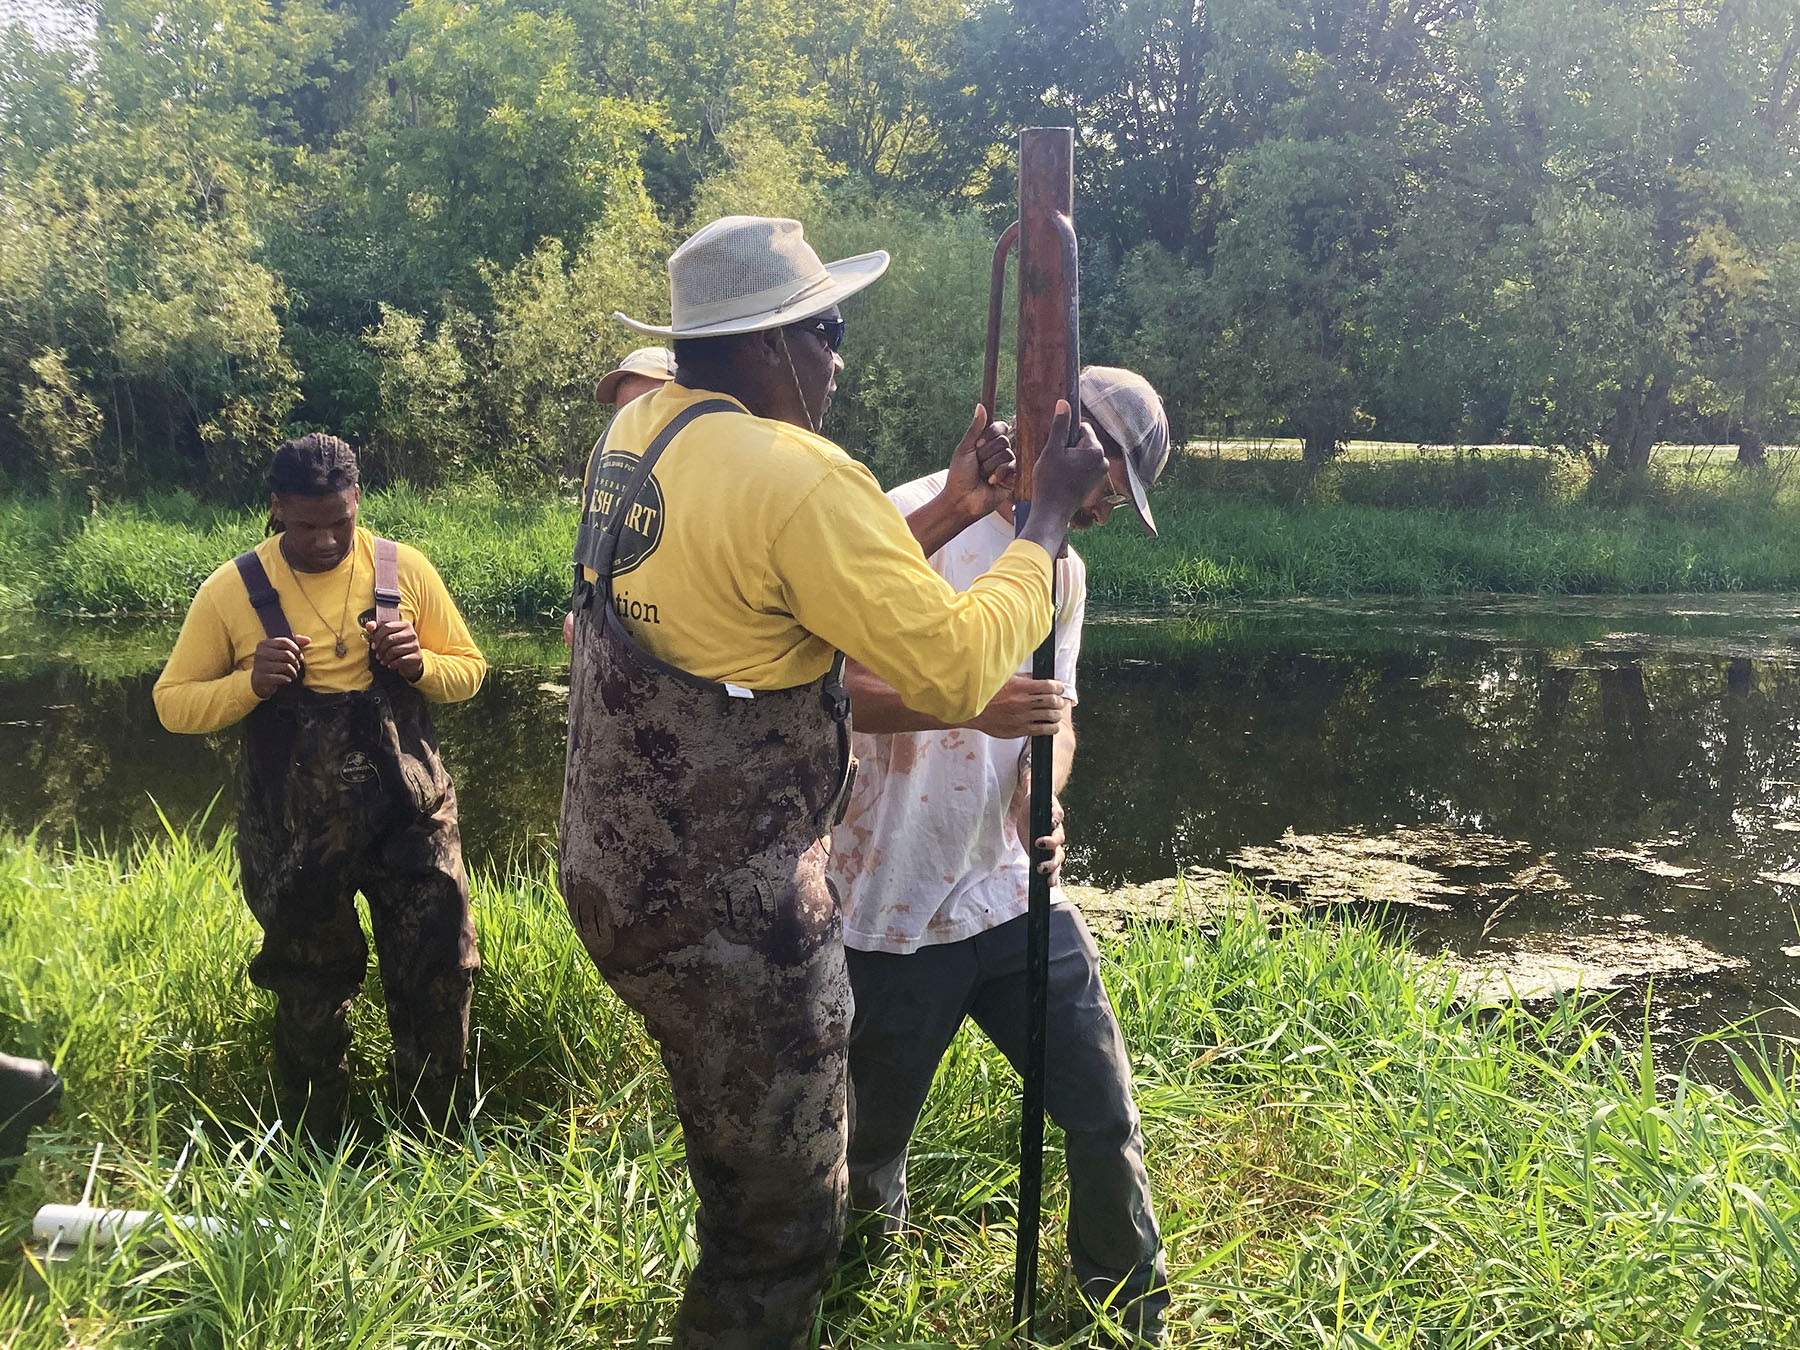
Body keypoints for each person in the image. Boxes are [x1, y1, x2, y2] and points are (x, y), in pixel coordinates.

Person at [559, 214, 1110, 1348]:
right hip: (732, 920)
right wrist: (1040, 521)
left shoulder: (640, 436)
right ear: (768, 343)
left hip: (614, 879)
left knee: (738, 1163)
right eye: (829, 330)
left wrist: (957, 508)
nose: (839, 358)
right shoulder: (803, 473)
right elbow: (956, 664)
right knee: (784, 1221)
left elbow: (785, 585)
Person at [828, 366, 1175, 1342]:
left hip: (1009, 896)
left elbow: (1059, 720)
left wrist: (1044, 790)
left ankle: (1128, 1308)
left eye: (1116, 496)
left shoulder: (1061, 568)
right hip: (884, 903)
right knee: (869, 1149)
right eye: (1108, 482)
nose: (1106, 506)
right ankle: (861, 1294)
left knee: (1102, 1109)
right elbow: (824, 685)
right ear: (1068, 443)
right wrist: (969, 702)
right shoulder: (913, 519)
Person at [153, 435, 487, 1140]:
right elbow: (173, 703)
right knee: (308, 988)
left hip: (412, 819)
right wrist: (249, 683)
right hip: (295, 831)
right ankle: (313, 1149)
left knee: (438, 973)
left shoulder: (404, 569)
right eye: (307, 525)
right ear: (277, 510)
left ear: (356, 501)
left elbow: (469, 670)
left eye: (339, 521)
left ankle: (435, 1142)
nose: (327, 539)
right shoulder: (233, 590)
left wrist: (420, 663)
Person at [566, 347, 678, 647]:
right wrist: (579, 608)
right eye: (625, 413)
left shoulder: (699, 466)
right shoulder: (604, 460)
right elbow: (595, 547)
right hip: (608, 655)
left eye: (649, 407)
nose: (636, 422)